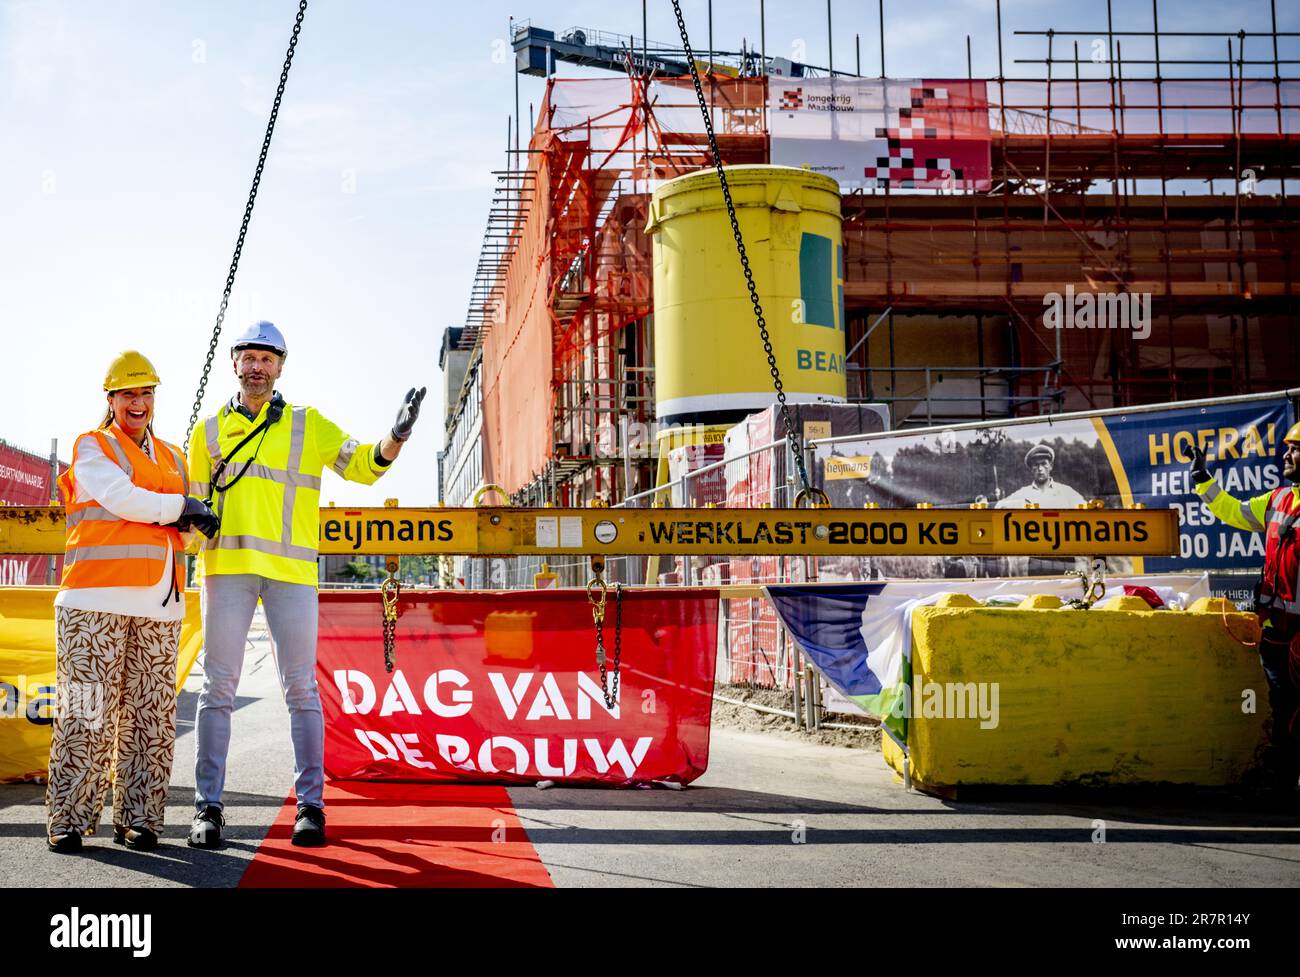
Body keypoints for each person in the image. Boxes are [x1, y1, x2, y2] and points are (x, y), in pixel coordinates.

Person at [186, 321, 425, 849]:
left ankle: (311, 809)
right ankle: (207, 808)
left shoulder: (305, 424)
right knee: (217, 689)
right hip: (226, 571)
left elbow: (363, 466)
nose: (256, 366)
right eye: (248, 357)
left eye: (266, 359)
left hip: (291, 575)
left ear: (280, 367)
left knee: (301, 689)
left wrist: (398, 436)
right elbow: (189, 517)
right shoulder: (204, 435)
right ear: (234, 364)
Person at [46, 352, 219, 853]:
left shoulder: (172, 457)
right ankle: (69, 820)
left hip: (159, 604)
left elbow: (186, 532)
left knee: (152, 714)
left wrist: (191, 523)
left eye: (146, 393)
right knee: (85, 711)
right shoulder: (93, 446)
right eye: (128, 394)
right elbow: (124, 499)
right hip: (93, 600)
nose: (138, 402)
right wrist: (181, 507)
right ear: (111, 399)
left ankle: (140, 819)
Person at [1191, 435, 1300, 793]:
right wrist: (1203, 481)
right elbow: (1234, 511)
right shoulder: (1278, 499)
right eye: (1288, 448)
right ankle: (1282, 776)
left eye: (1296, 449)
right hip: (1276, 632)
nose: (1287, 455)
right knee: (1282, 705)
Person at [994, 443, 1086, 509]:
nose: (1040, 468)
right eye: (1036, 465)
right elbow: (998, 507)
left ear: (1051, 466)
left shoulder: (1066, 492)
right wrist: (991, 498)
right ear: (1031, 469)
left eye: (1044, 464)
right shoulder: (1022, 494)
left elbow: (1087, 511)